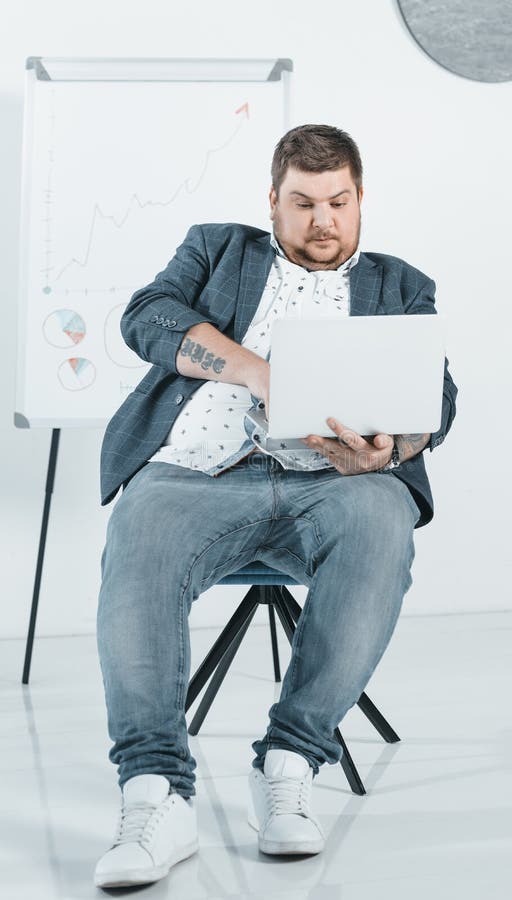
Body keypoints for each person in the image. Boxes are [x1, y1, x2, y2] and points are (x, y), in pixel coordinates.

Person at [93, 124, 458, 888]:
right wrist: (260, 372)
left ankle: (290, 763)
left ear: (360, 200)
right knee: (140, 532)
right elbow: (146, 316)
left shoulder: (401, 285)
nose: (321, 220)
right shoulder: (218, 249)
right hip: (194, 474)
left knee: (383, 518)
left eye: (337, 201)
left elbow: (437, 397)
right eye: (302, 203)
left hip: (332, 484)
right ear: (273, 202)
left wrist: (388, 454)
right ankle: (155, 793)